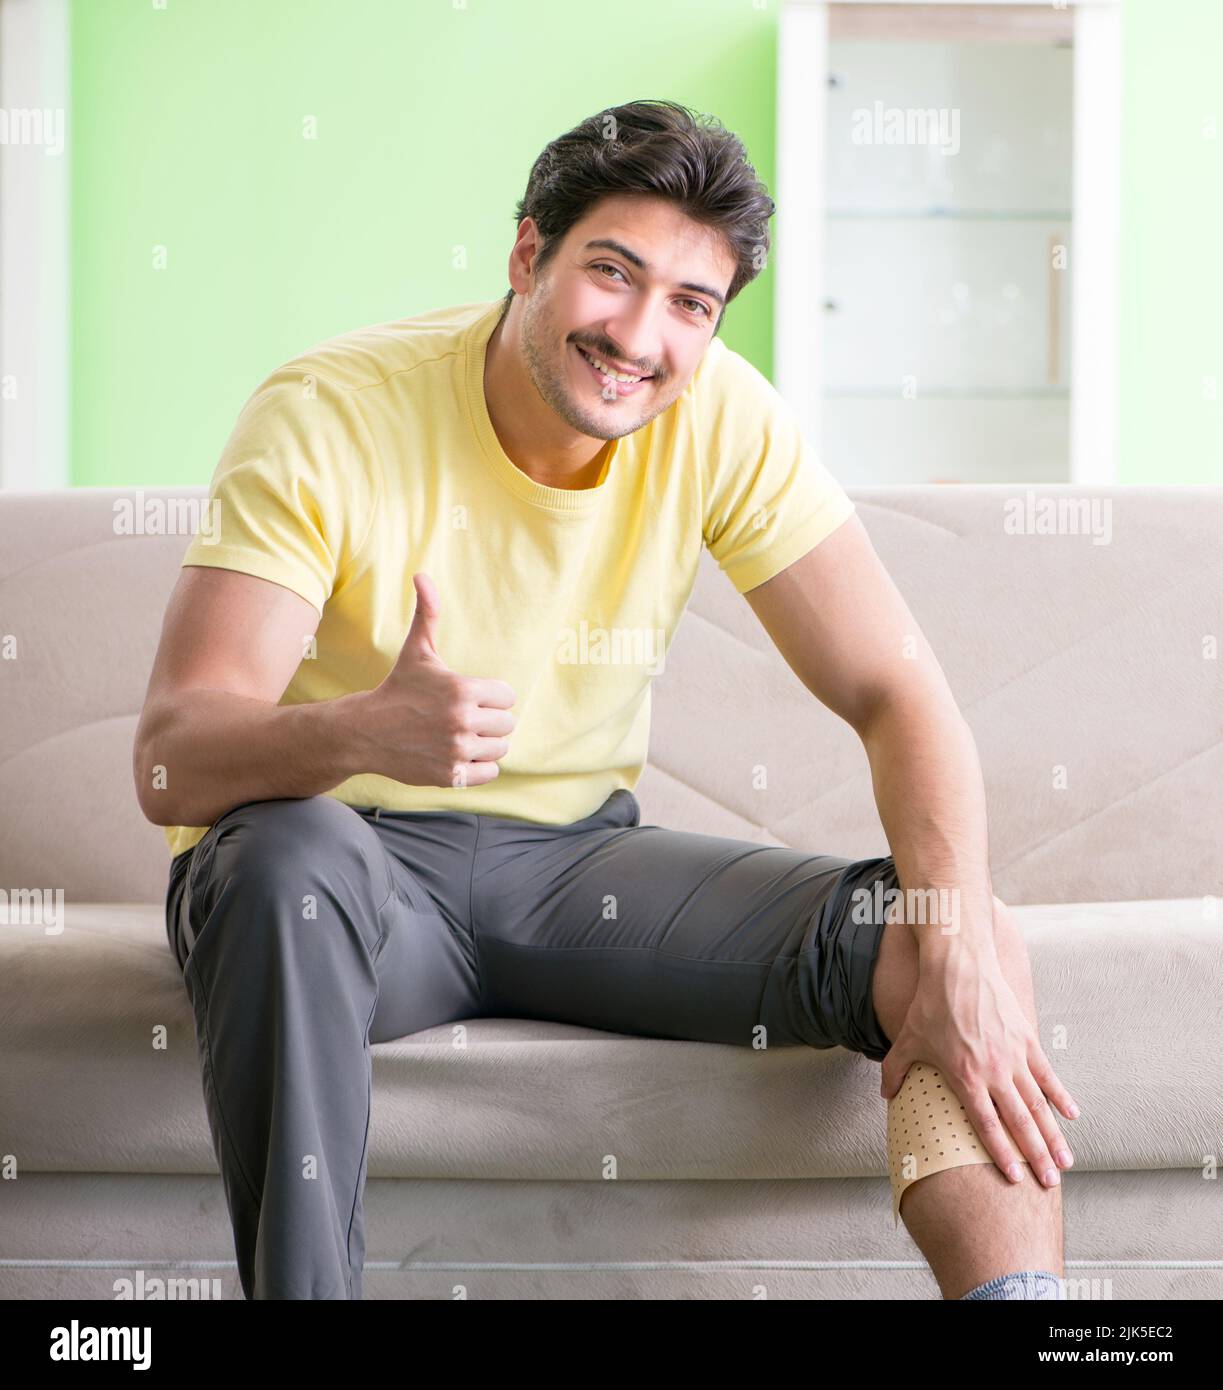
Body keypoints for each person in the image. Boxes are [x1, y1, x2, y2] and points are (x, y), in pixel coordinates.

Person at [133, 99, 1076, 1301]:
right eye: (611, 274)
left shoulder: (718, 413)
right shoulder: (330, 413)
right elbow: (169, 757)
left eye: (688, 303)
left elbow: (897, 690)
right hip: (343, 878)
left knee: (961, 928)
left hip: (576, 875)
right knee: (282, 858)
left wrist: (949, 949)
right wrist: (360, 730)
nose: (638, 335)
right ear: (528, 254)